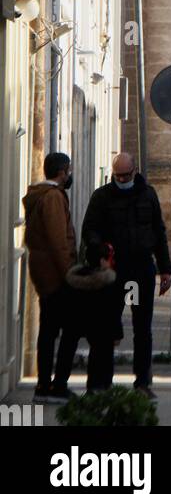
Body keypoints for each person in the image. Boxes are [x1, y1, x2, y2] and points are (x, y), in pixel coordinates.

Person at [81, 153, 171, 399]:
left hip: (140, 270)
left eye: (125, 175)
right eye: (117, 175)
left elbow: (158, 232)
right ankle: (100, 384)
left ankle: (142, 382)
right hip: (113, 272)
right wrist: (99, 250)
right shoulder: (102, 197)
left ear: (135, 171)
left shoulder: (148, 195)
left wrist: (166, 269)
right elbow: (90, 230)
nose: (121, 179)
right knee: (105, 329)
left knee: (142, 328)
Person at [23, 152, 78, 402]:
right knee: (69, 329)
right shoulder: (53, 197)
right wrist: (70, 274)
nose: (69, 175)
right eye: (68, 170)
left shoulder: (41, 195)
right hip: (56, 275)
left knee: (48, 330)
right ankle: (55, 385)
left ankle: (44, 385)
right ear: (61, 171)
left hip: (44, 272)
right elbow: (58, 241)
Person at [65, 240, 117, 393]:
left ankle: (61, 381)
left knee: (67, 346)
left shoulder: (75, 280)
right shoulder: (107, 282)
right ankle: (101, 384)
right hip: (100, 325)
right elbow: (112, 311)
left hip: (76, 321)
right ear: (103, 261)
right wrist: (117, 332)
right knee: (102, 350)